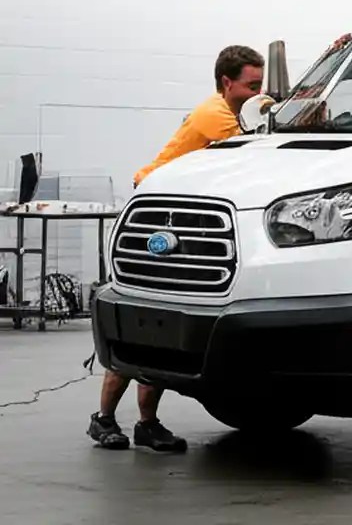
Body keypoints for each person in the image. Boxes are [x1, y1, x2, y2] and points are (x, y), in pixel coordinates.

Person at [87, 45, 265, 451]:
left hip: (185, 220)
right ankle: (103, 420)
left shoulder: (236, 111)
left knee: (163, 331)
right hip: (157, 213)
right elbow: (262, 143)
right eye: (253, 85)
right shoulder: (214, 114)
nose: (261, 93)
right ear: (227, 82)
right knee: (139, 323)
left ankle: (147, 424)